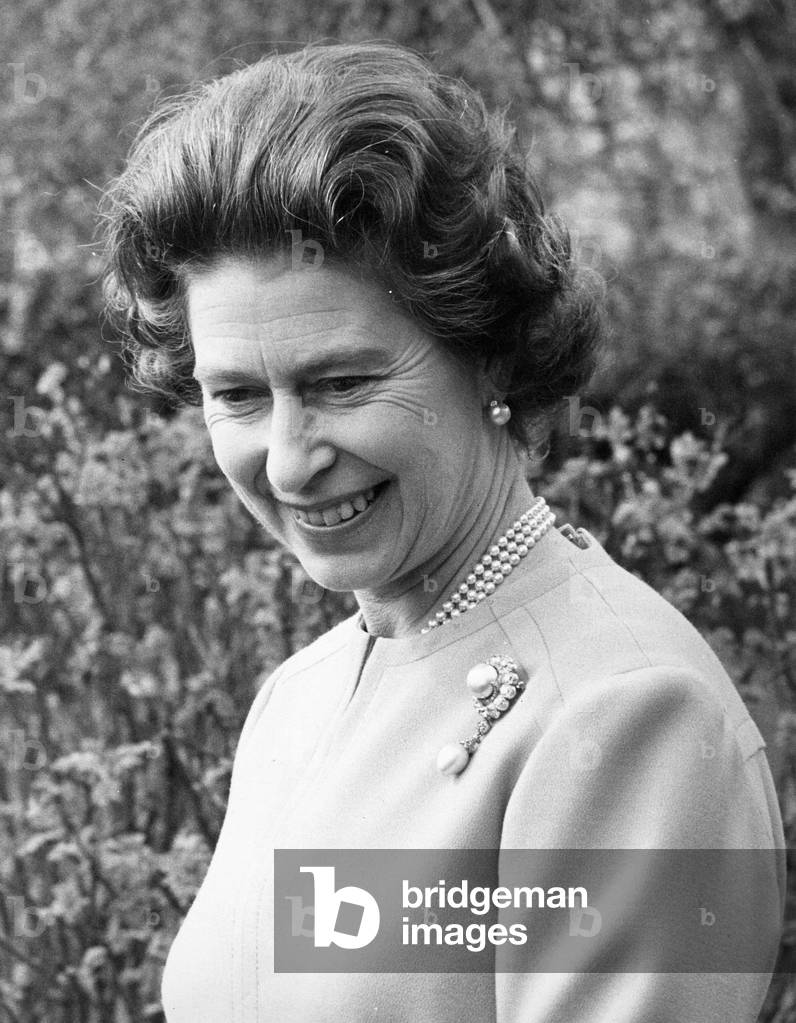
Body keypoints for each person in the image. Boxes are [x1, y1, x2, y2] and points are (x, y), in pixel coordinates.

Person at [100, 40, 784, 1023]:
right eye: (237, 395)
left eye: (342, 383)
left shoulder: (629, 720)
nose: (288, 460)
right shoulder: (299, 695)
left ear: (496, 365)